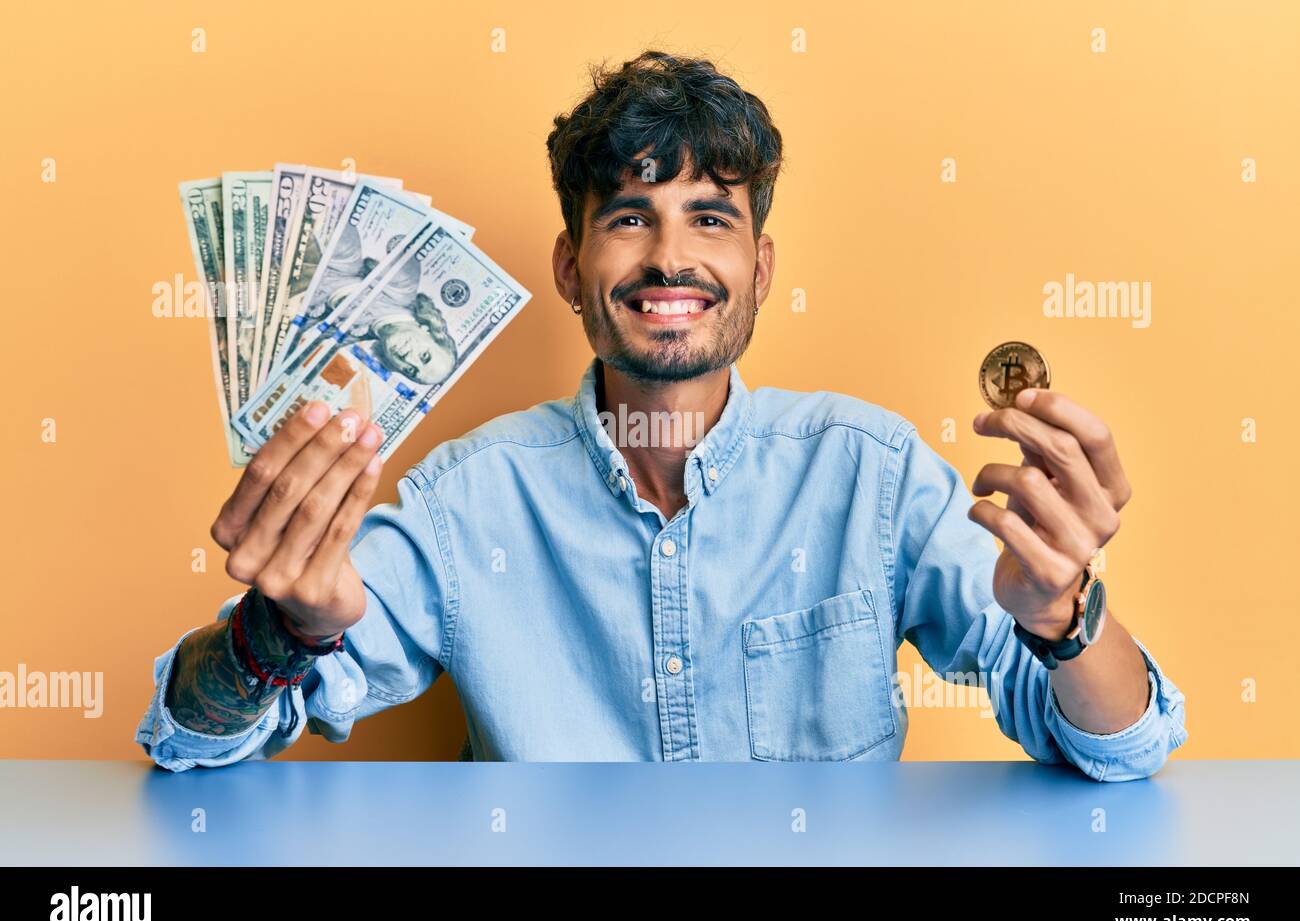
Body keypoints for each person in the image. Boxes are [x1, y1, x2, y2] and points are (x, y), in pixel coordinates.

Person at [137, 50, 1186, 776]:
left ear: (759, 266)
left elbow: (1122, 746)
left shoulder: (870, 474)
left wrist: (1060, 615)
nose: (669, 258)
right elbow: (186, 741)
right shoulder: (466, 502)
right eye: (629, 217)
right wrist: (280, 633)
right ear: (569, 264)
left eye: (710, 218)